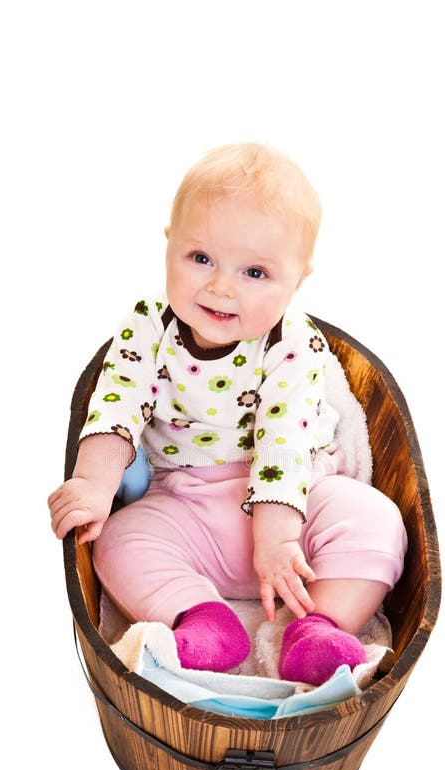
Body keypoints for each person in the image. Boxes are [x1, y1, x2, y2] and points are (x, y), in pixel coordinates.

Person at [48, 143, 407, 686]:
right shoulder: (149, 324)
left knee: (374, 519)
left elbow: (284, 443)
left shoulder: (292, 342)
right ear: (169, 244)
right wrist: (95, 483)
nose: (221, 286)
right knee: (118, 541)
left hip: (299, 508)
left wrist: (278, 541)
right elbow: (117, 401)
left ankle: (319, 627)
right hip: (188, 502)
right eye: (201, 258)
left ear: (297, 280)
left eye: (255, 272)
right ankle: (203, 617)